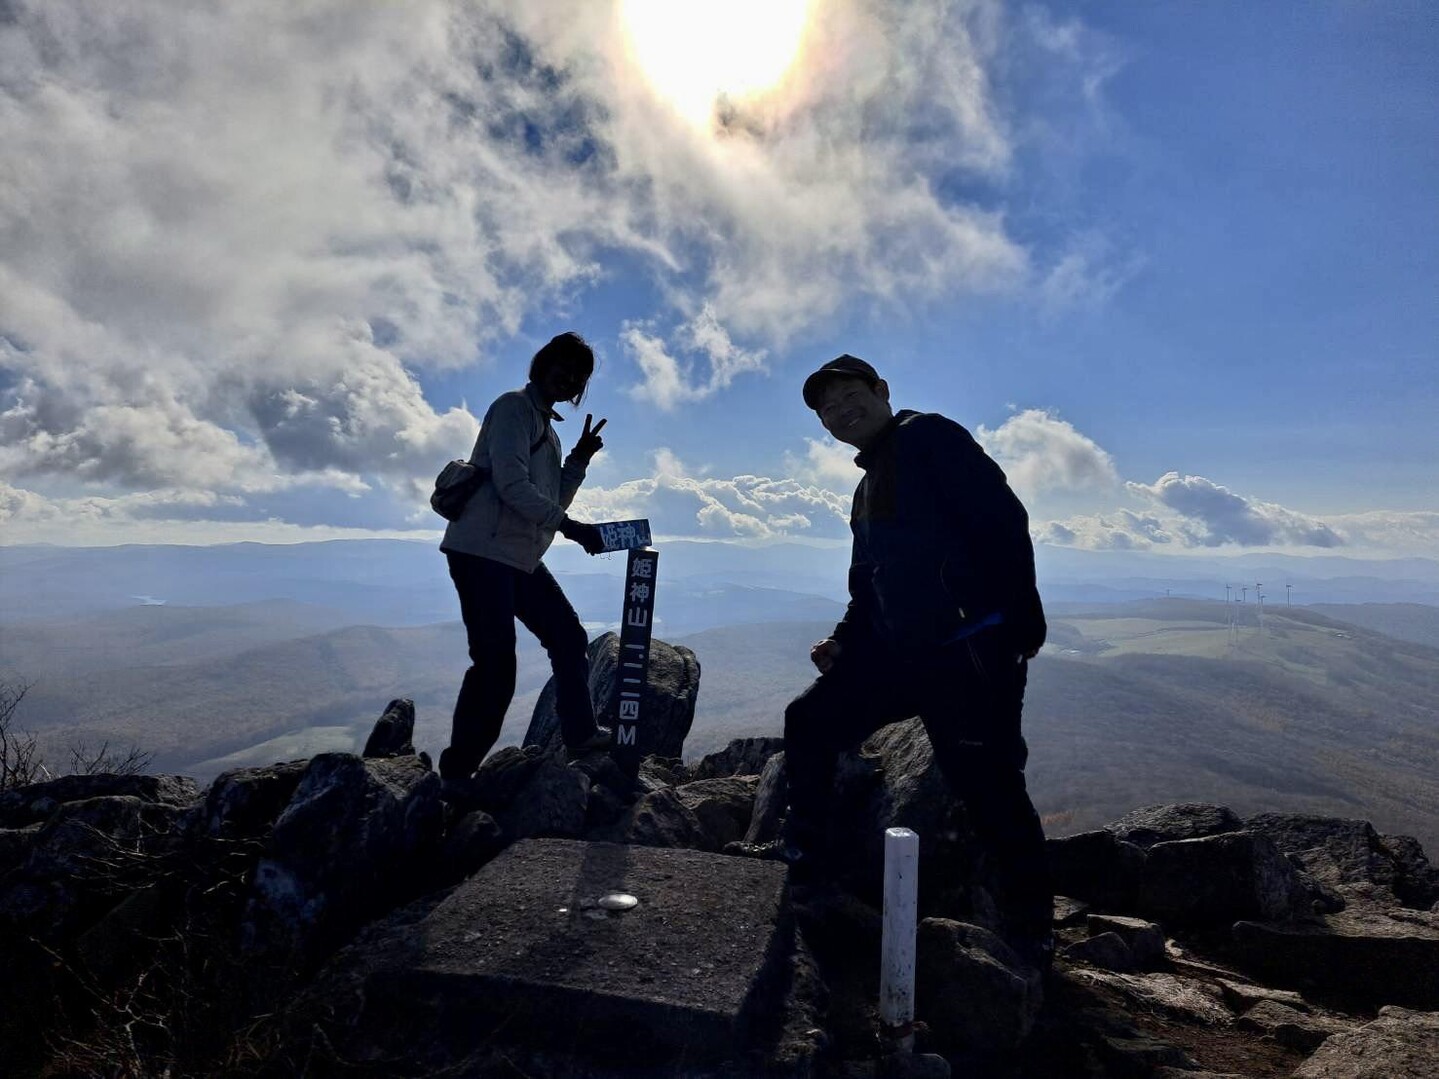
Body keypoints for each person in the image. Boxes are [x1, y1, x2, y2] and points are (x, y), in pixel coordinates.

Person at [763, 354, 1053, 962]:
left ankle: (1030, 928)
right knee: (810, 720)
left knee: (989, 782)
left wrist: (1018, 621)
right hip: (900, 653)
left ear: (882, 391)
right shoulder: (868, 485)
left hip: (968, 650)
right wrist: (844, 639)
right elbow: (868, 581)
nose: (841, 412)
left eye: (851, 397)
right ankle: (805, 865)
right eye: (828, 410)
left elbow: (1003, 521)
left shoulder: (929, 438)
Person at [437, 331, 612, 786]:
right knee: (495, 664)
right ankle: (456, 776)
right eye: (564, 367)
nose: (569, 379)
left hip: (517, 557)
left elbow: (551, 500)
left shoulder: (547, 430)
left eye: (579, 376)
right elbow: (512, 487)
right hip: (482, 552)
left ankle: (581, 735)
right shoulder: (513, 409)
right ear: (542, 364)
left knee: (568, 636)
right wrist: (571, 528)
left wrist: (579, 459)